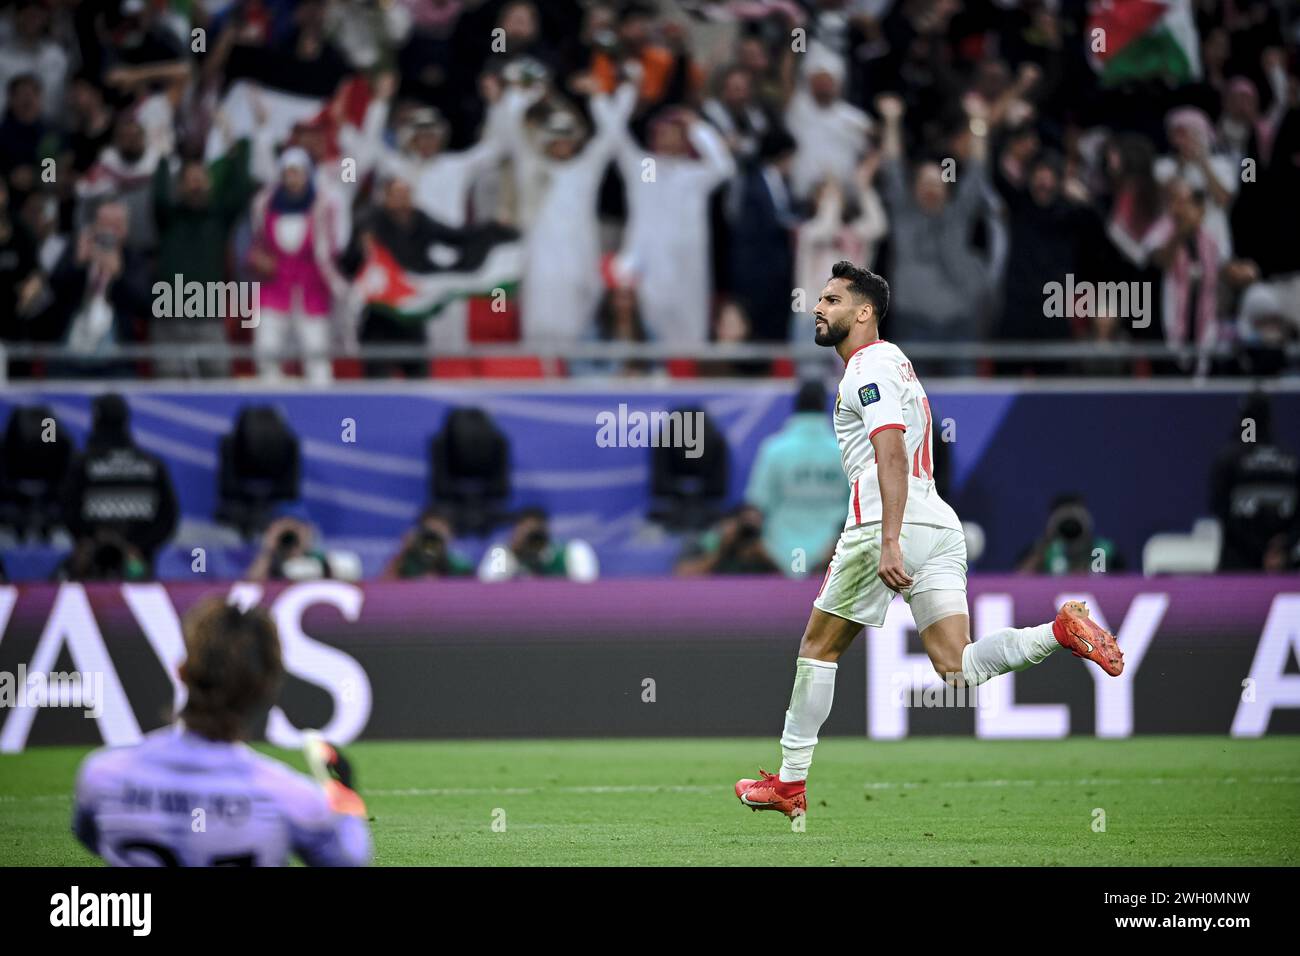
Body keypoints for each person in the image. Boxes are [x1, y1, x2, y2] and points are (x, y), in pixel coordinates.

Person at [733, 261, 1124, 821]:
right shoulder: (898, 363)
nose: (818, 309)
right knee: (956, 666)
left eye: (832, 300)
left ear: (864, 312)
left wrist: (889, 539)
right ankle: (1057, 631)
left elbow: (889, 448)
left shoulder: (865, 369)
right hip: (940, 522)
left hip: (885, 524)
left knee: (818, 648)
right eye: (819, 300)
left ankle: (790, 783)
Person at [72, 598, 372, 867]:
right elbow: (349, 858)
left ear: (181, 672)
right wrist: (344, 796)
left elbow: (89, 836)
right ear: (267, 688)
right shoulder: (287, 796)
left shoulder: (103, 775)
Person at [60, 393, 178, 576]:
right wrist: (140, 546)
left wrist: (87, 538)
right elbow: (168, 517)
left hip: (128, 563)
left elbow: (67, 510)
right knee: (140, 591)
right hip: (133, 561)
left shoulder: (83, 465)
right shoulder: (153, 464)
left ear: (96, 420)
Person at [744, 381, 847, 578]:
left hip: (780, 549)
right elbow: (857, 506)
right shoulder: (842, 450)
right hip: (833, 550)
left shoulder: (773, 449)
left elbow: (757, 505)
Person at [477, 507, 599, 581]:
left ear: (546, 531)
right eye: (524, 531)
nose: (531, 538)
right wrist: (512, 555)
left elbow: (586, 590)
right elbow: (488, 587)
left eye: (535, 532)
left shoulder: (573, 551)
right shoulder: (502, 553)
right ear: (514, 532)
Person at [1016, 494, 1123, 575]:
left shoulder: (1102, 550)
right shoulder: (1043, 549)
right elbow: (1018, 583)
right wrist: (1044, 546)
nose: (1070, 525)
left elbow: (1126, 583)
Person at [675, 504, 782, 577]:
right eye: (745, 525)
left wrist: (764, 553)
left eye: (753, 527)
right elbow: (682, 573)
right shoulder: (709, 544)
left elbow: (786, 582)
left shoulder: (762, 551)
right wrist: (721, 549)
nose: (747, 531)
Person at [384, 507, 475, 579]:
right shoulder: (406, 563)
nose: (432, 540)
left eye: (439, 531)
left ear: (451, 536)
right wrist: (403, 551)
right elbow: (384, 589)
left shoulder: (460, 567)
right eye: (429, 532)